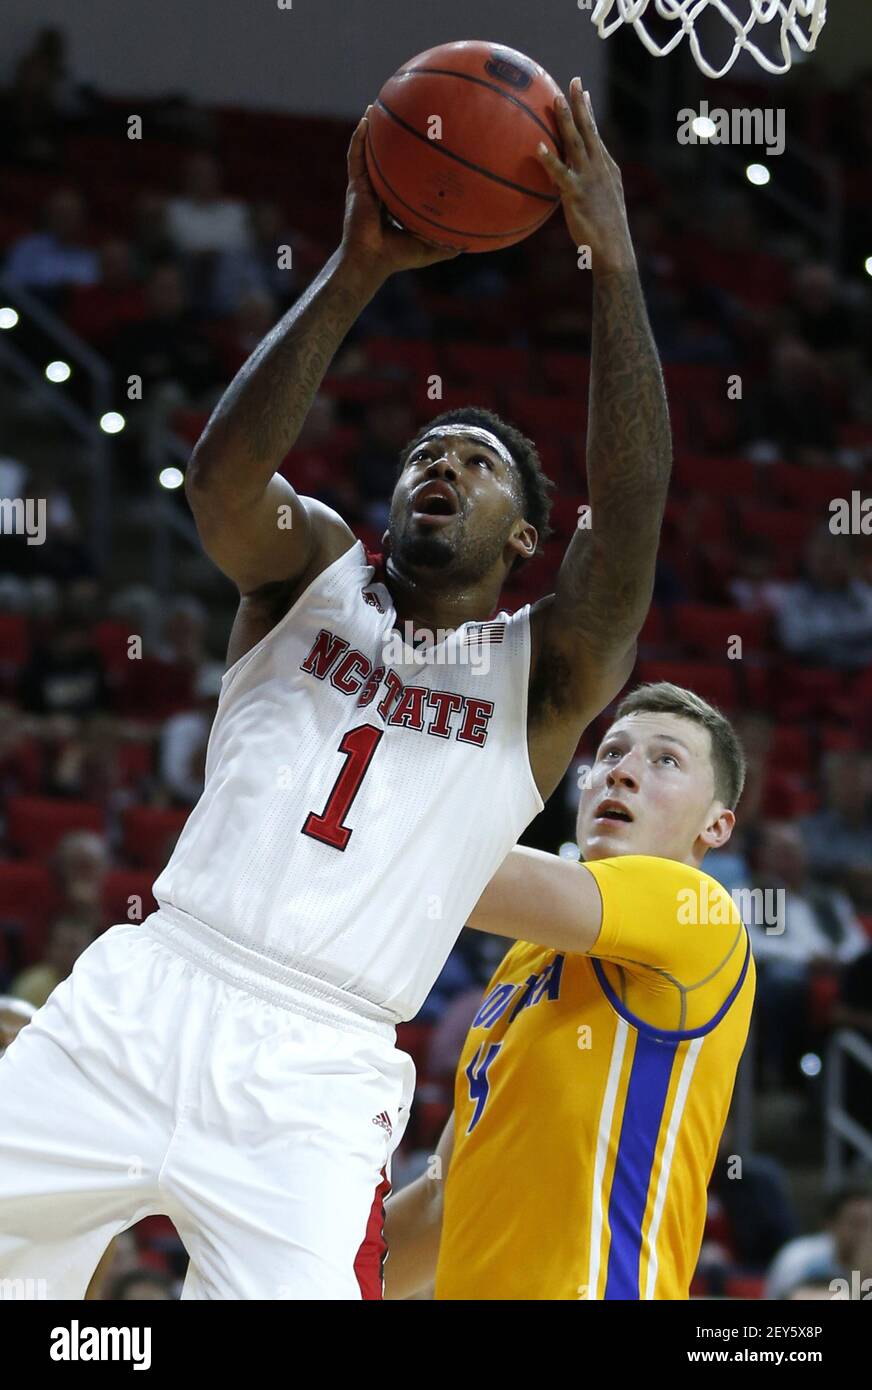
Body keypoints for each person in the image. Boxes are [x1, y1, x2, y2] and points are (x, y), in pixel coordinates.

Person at [0, 80, 672, 1300]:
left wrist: (614, 267)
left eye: (475, 466)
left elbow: (628, 521)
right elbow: (218, 485)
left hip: (317, 1069)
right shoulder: (311, 572)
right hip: (152, 984)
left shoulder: (543, 674)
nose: (441, 470)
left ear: (525, 540)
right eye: (425, 455)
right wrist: (356, 267)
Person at [384, 682, 756, 1300]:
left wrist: (363, 767)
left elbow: (451, 873)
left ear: (716, 826)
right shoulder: (525, 957)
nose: (623, 773)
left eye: (665, 759)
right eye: (611, 754)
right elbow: (440, 1206)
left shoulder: (698, 911)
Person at [765, 1184, 872, 1299]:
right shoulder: (799, 1259)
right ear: (830, 1225)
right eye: (856, 1224)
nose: (865, 1232)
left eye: (869, 1224)